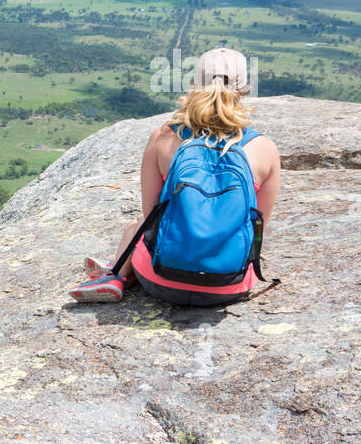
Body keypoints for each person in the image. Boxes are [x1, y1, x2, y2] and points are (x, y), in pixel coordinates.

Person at [70, 47, 280, 305]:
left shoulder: (163, 138)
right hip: (229, 285)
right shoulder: (265, 149)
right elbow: (258, 227)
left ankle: (118, 274)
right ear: (245, 90)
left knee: (138, 224)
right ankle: (117, 269)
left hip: (160, 281)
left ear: (193, 85)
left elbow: (150, 219)